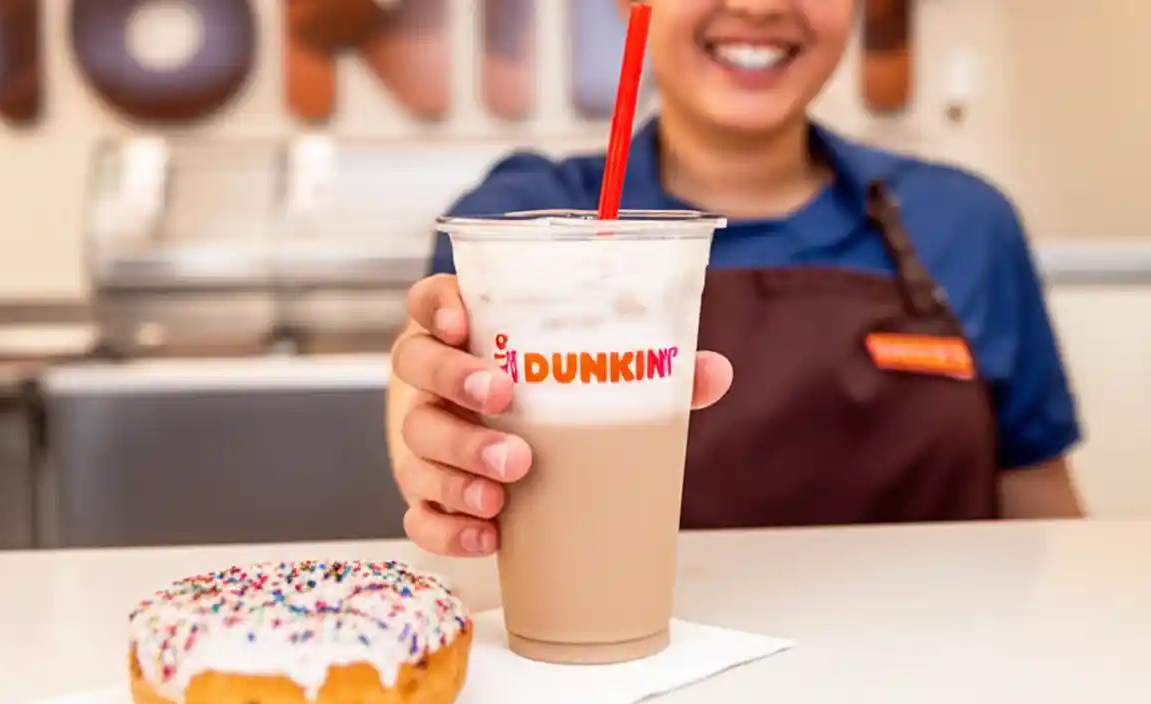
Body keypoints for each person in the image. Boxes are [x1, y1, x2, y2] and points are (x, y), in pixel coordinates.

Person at [387, 0, 1085, 558]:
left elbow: (1043, 519)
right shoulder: (516, 228)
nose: (758, 6)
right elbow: (429, 417)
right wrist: (435, 443)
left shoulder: (965, 223)